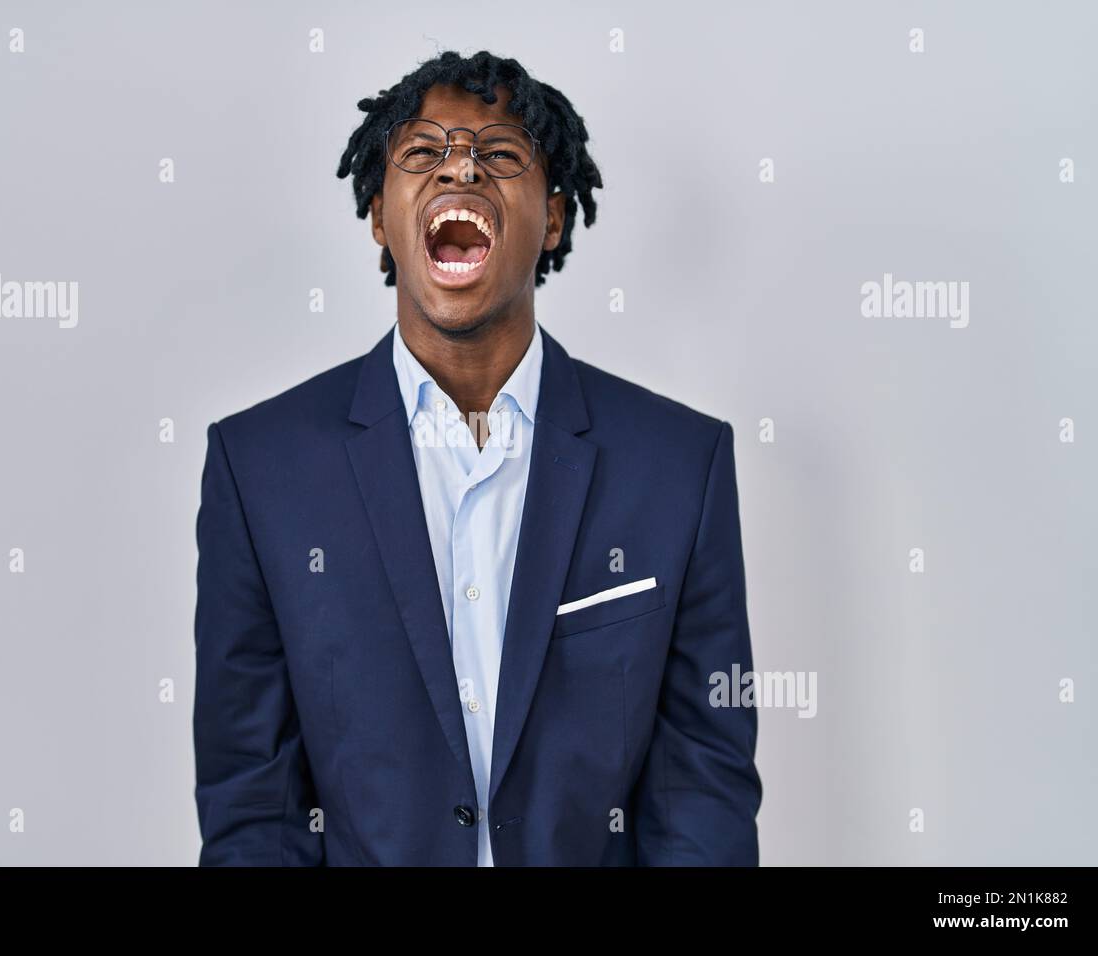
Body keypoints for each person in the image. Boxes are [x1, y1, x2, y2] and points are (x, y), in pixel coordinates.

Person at [193, 49, 761, 866]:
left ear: (555, 218)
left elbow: (702, 790)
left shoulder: (680, 463)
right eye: (422, 154)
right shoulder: (260, 469)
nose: (459, 169)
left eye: (499, 154)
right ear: (381, 217)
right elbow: (253, 804)